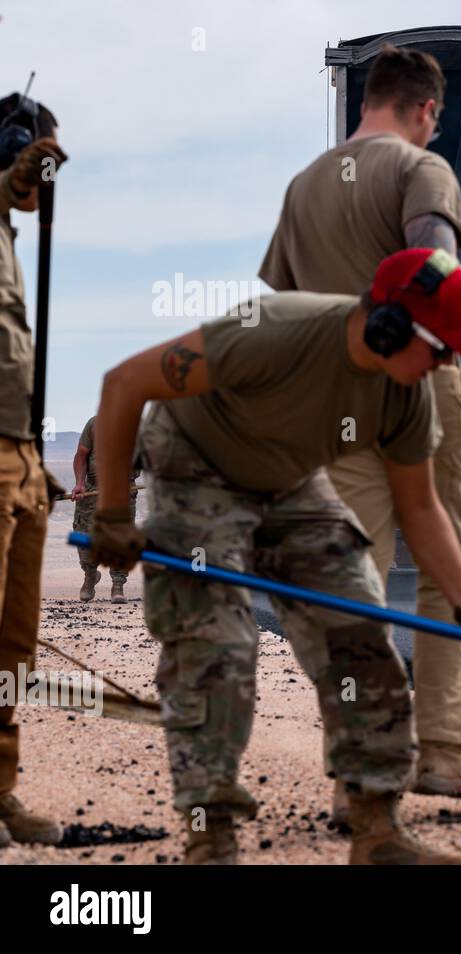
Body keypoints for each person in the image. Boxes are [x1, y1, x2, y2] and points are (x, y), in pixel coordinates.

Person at [87, 249, 461, 865]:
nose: (449, 363)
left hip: (291, 478)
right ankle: (211, 837)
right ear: (388, 326)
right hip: (197, 462)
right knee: (215, 640)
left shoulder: (408, 393)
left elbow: (422, 510)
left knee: (359, 629)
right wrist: (111, 515)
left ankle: (376, 828)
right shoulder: (273, 334)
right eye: (443, 347)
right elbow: (124, 382)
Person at [261, 43, 461, 806]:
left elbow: (280, 303)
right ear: (427, 111)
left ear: (368, 97)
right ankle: (440, 748)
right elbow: (437, 276)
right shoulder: (422, 170)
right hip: (421, 386)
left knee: (354, 583)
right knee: (445, 568)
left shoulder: (305, 187)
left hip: (336, 400)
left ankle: (358, 772)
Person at [0, 99, 67, 849]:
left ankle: (1, 790)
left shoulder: (11, 242)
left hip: (18, 457)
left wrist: (28, 460)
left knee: (12, 648)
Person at [71, 415, 140, 602]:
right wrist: (79, 484)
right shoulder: (95, 424)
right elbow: (81, 455)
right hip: (92, 490)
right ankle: (90, 576)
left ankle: (117, 586)